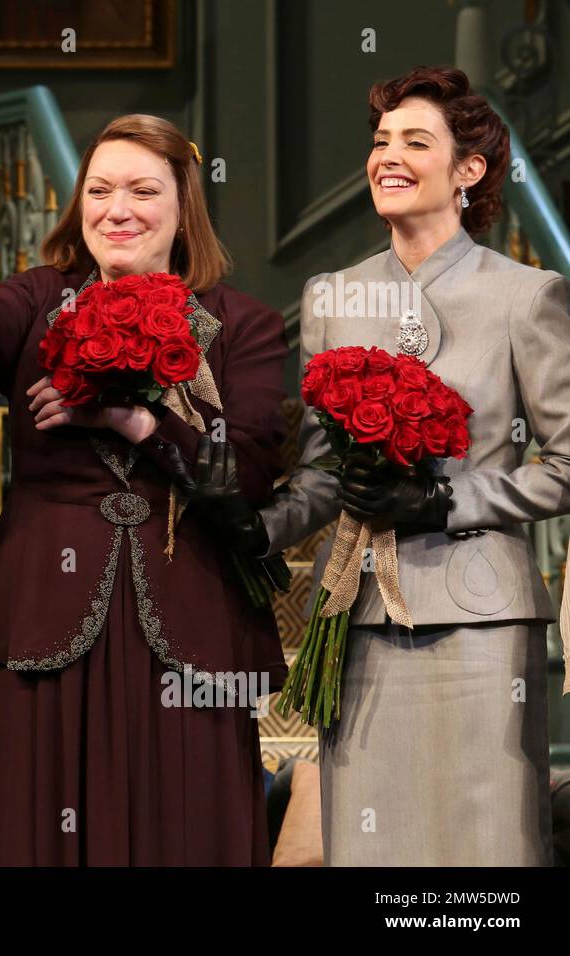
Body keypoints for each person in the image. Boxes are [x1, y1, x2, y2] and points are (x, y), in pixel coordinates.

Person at [0, 115, 290, 864]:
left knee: (186, 830)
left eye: (142, 190)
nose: (116, 208)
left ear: (183, 206)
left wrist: (134, 419)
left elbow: (246, 472)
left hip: (191, 624)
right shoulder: (39, 301)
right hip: (45, 619)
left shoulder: (243, 327)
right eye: (99, 190)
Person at [204, 66, 562, 866]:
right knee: (374, 846)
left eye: (414, 141)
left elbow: (566, 466)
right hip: (359, 612)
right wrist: (257, 529)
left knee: (483, 848)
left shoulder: (526, 296)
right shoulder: (332, 295)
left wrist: (445, 500)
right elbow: (328, 472)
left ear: (469, 171)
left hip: (480, 620)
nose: (387, 156)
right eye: (379, 142)